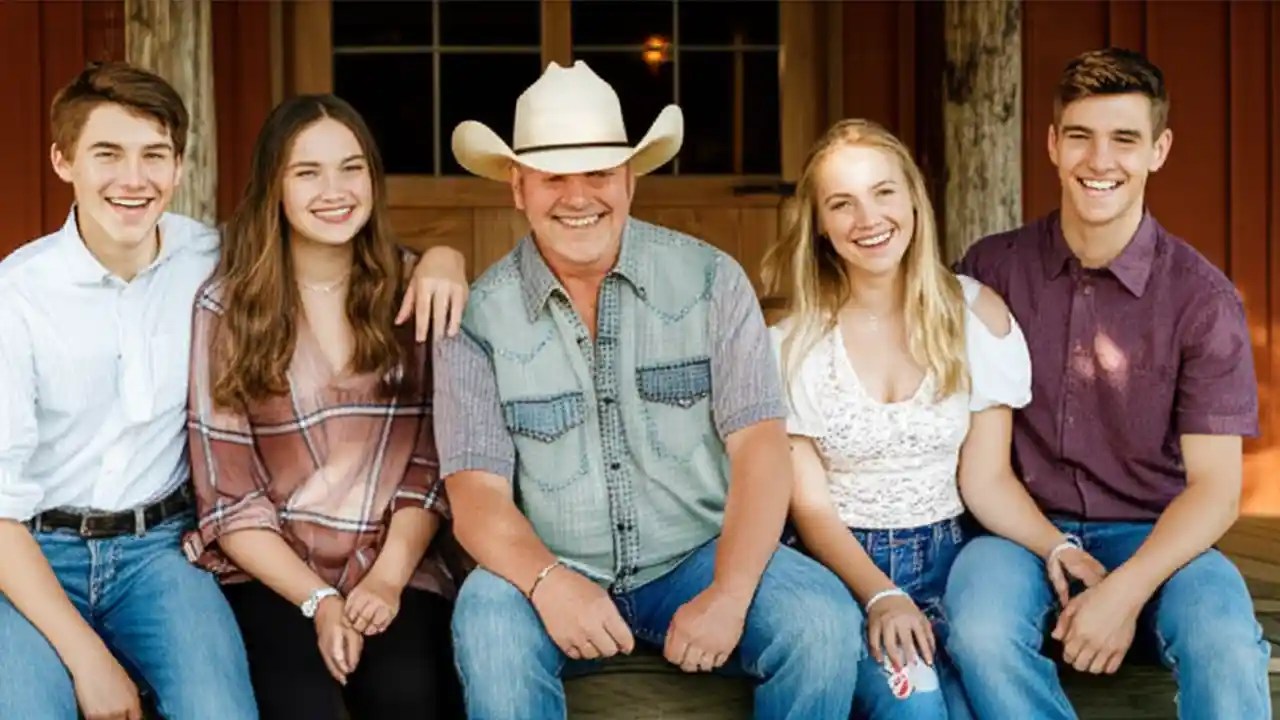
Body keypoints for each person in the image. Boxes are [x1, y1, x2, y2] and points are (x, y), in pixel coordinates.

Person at [0, 62, 466, 720]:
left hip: (155, 550)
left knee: (223, 711)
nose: (133, 180)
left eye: (153, 156)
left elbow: (327, 242)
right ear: (62, 160)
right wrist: (88, 660)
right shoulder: (16, 298)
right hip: (31, 548)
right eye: (108, 155)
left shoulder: (208, 258)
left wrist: (447, 254)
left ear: (181, 167)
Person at [432, 60, 863, 720]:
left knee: (822, 622)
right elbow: (477, 497)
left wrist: (730, 590)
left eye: (600, 173)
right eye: (553, 177)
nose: (579, 197)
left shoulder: (711, 281)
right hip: (551, 565)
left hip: (696, 555)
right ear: (518, 188)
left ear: (631, 178)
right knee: (489, 627)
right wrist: (549, 583)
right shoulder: (478, 317)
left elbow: (760, 450)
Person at [943, 47, 1272, 720]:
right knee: (977, 630)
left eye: (1125, 139)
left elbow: (1215, 490)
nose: (1100, 161)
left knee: (1229, 645)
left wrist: (1123, 593)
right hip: (1019, 535)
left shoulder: (1202, 299)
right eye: (1081, 137)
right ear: (1053, 145)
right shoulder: (992, 269)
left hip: (1159, 536)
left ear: (1159, 149)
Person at [183, 94, 464, 719]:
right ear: (272, 187)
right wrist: (318, 600)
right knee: (302, 706)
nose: (334, 190)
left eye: (351, 167)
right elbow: (228, 495)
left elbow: (431, 464)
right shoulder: (227, 307)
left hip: (394, 563)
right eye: (306, 171)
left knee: (407, 695)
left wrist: (386, 579)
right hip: (272, 573)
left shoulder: (414, 290)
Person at [762, 118, 1032, 720]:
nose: (868, 218)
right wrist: (880, 594)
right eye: (842, 203)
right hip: (844, 571)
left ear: (913, 196)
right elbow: (810, 510)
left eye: (884, 192)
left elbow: (987, 480)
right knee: (920, 712)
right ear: (822, 227)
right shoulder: (792, 347)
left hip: (956, 563)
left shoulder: (973, 314)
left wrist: (1060, 549)